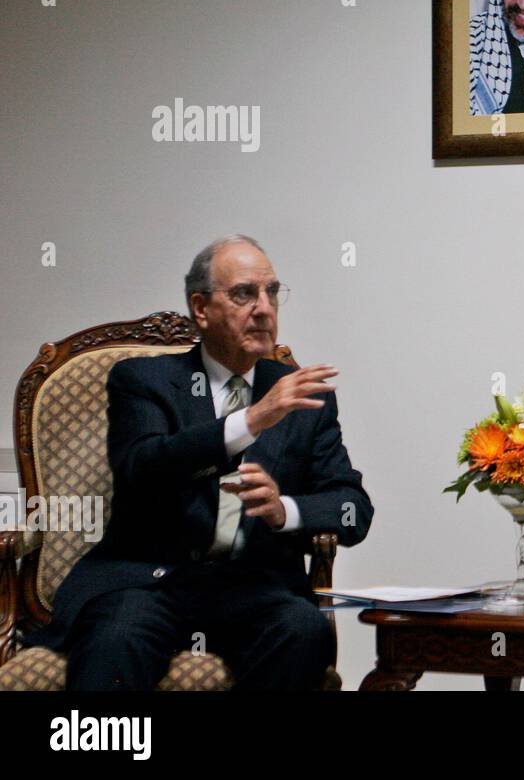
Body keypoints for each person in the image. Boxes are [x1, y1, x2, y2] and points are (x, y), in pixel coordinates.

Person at [28, 235, 374, 690]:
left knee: (301, 630)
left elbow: (351, 507)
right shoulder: (144, 380)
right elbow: (141, 464)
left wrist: (285, 510)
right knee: (115, 639)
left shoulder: (303, 395)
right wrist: (250, 420)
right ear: (201, 307)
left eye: (272, 292)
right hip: (147, 581)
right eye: (244, 293)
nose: (265, 308)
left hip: (254, 585)